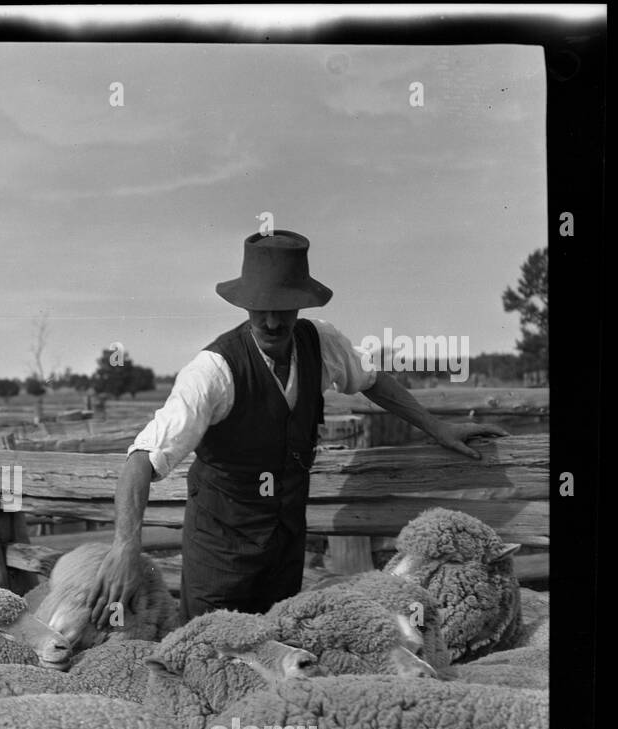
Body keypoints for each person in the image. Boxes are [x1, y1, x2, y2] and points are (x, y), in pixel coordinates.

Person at [89, 229, 506, 627]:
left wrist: (437, 428)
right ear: (244, 306)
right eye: (260, 309)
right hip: (222, 550)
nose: (272, 322)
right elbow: (142, 459)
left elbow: (374, 380)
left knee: (284, 651)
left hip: (285, 545)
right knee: (210, 655)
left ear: (301, 304)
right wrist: (126, 546)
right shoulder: (214, 372)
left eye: (283, 308)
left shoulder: (320, 343)